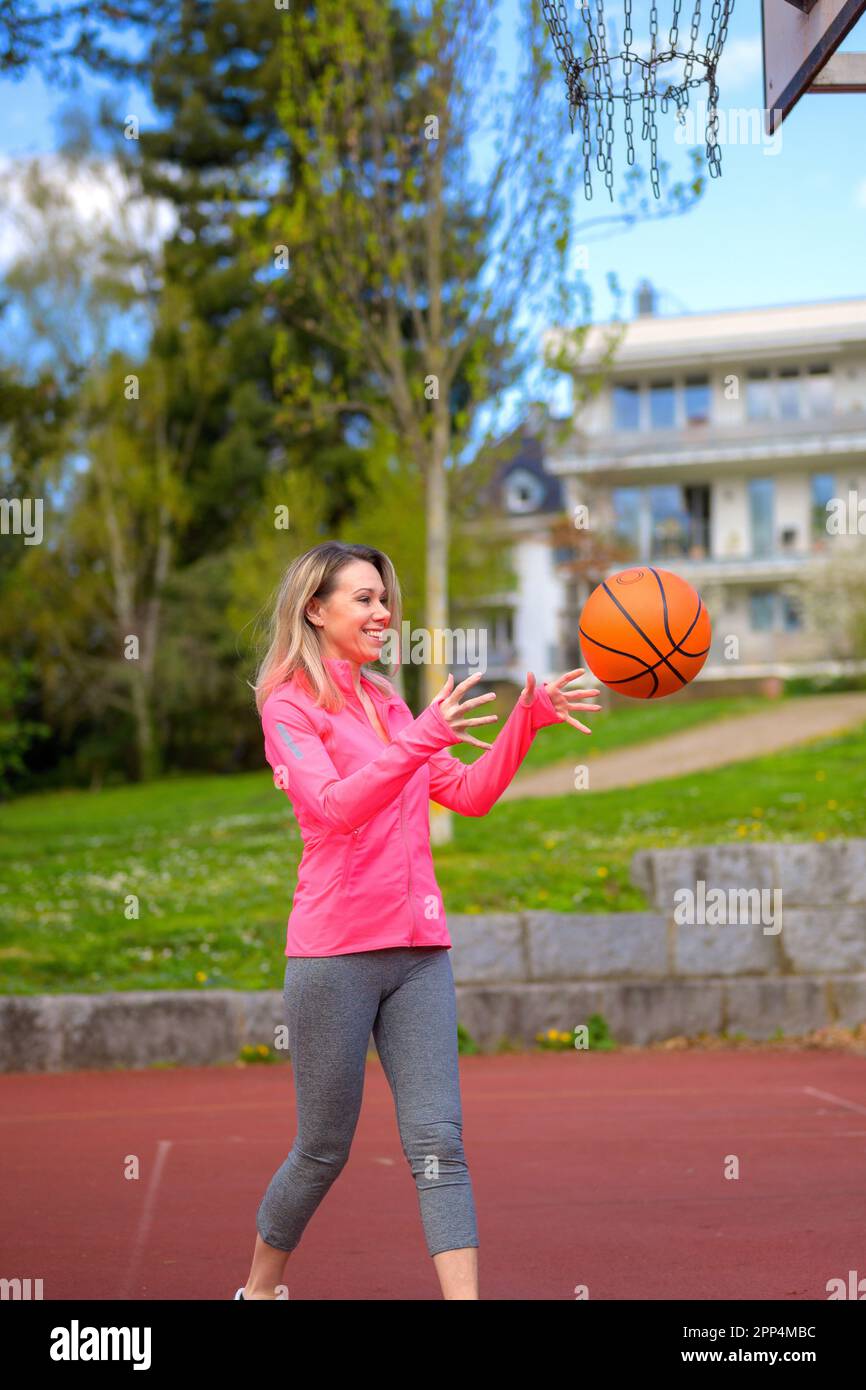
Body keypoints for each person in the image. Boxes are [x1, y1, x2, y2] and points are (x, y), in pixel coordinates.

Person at [236, 540, 601, 1301]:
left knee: (439, 1143)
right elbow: (334, 808)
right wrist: (419, 738)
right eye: (364, 598)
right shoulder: (287, 704)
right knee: (322, 1149)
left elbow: (466, 794)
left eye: (384, 598)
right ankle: (261, 1286)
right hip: (335, 952)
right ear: (316, 608)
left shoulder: (389, 701)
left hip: (419, 952)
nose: (382, 611)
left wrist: (526, 720)